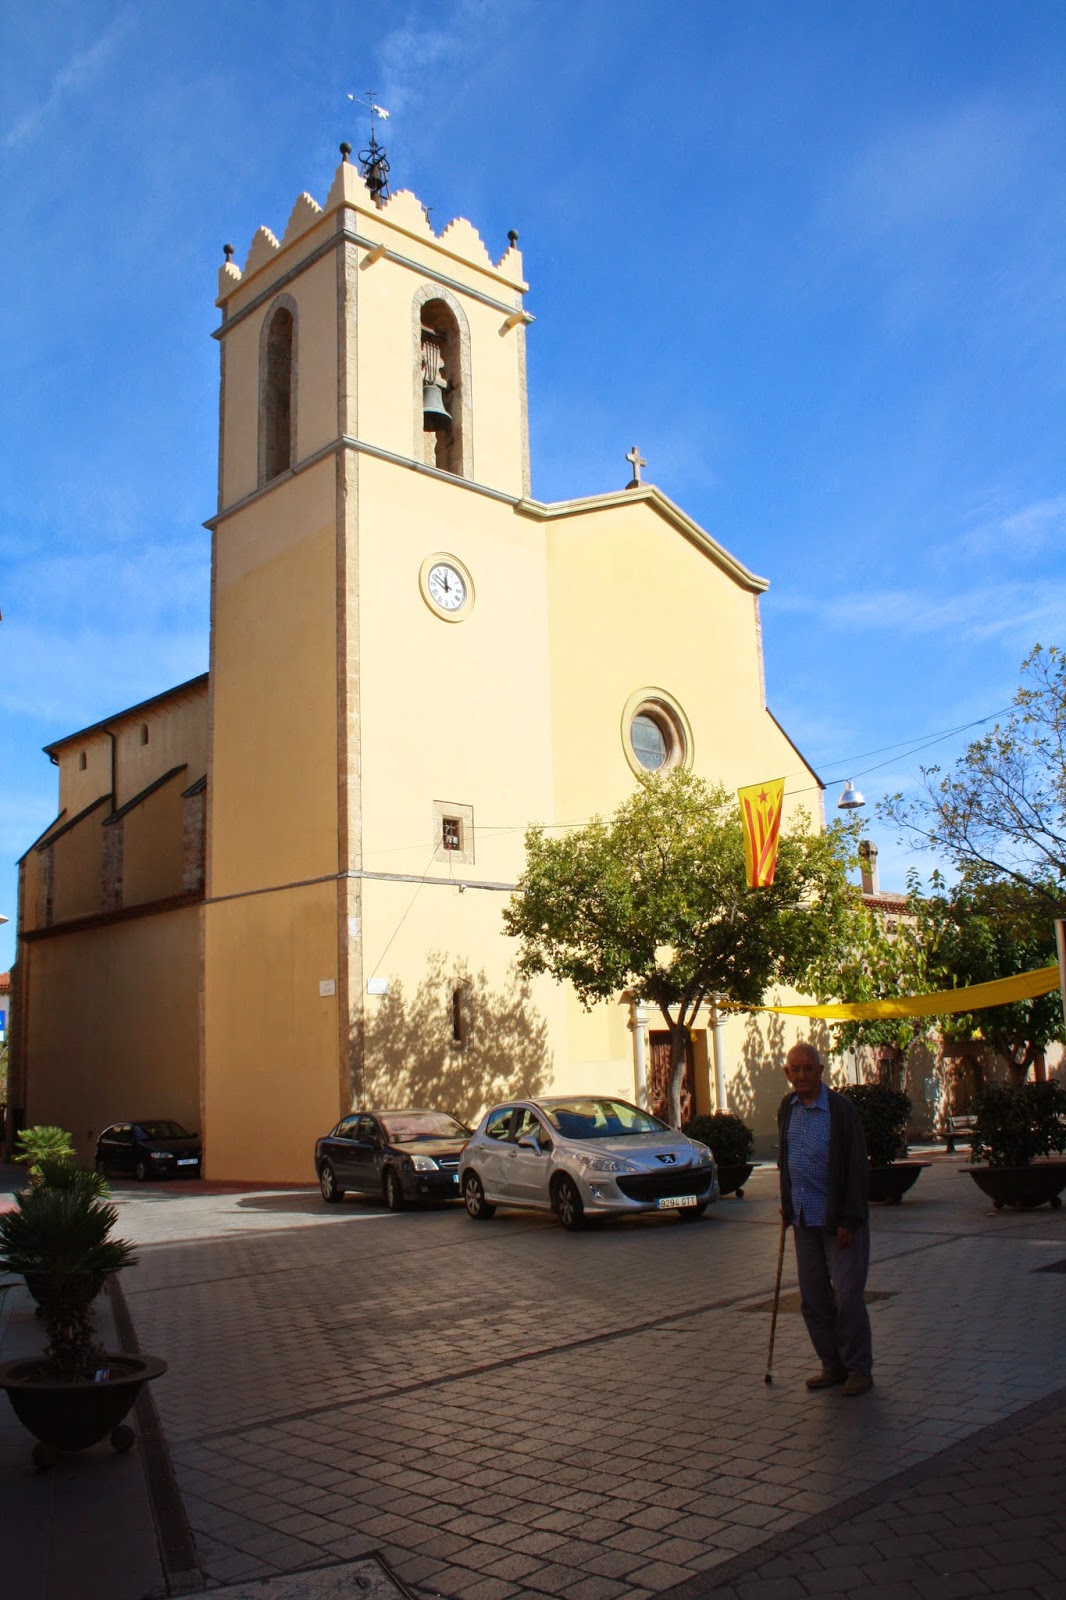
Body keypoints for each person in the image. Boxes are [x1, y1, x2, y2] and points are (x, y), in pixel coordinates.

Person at [777, 1041, 873, 1396]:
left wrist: (850, 1219)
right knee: (814, 1299)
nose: (801, 1076)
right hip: (804, 1218)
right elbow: (786, 1159)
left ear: (820, 1071)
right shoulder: (787, 1108)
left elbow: (855, 1167)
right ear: (788, 1074)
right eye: (794, 1070)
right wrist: (786, 1201)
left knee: (847, 1295)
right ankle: (832, 1364)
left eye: (807, 1069)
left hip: (839, 1223)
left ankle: (859, 1368)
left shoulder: (840, 1110)